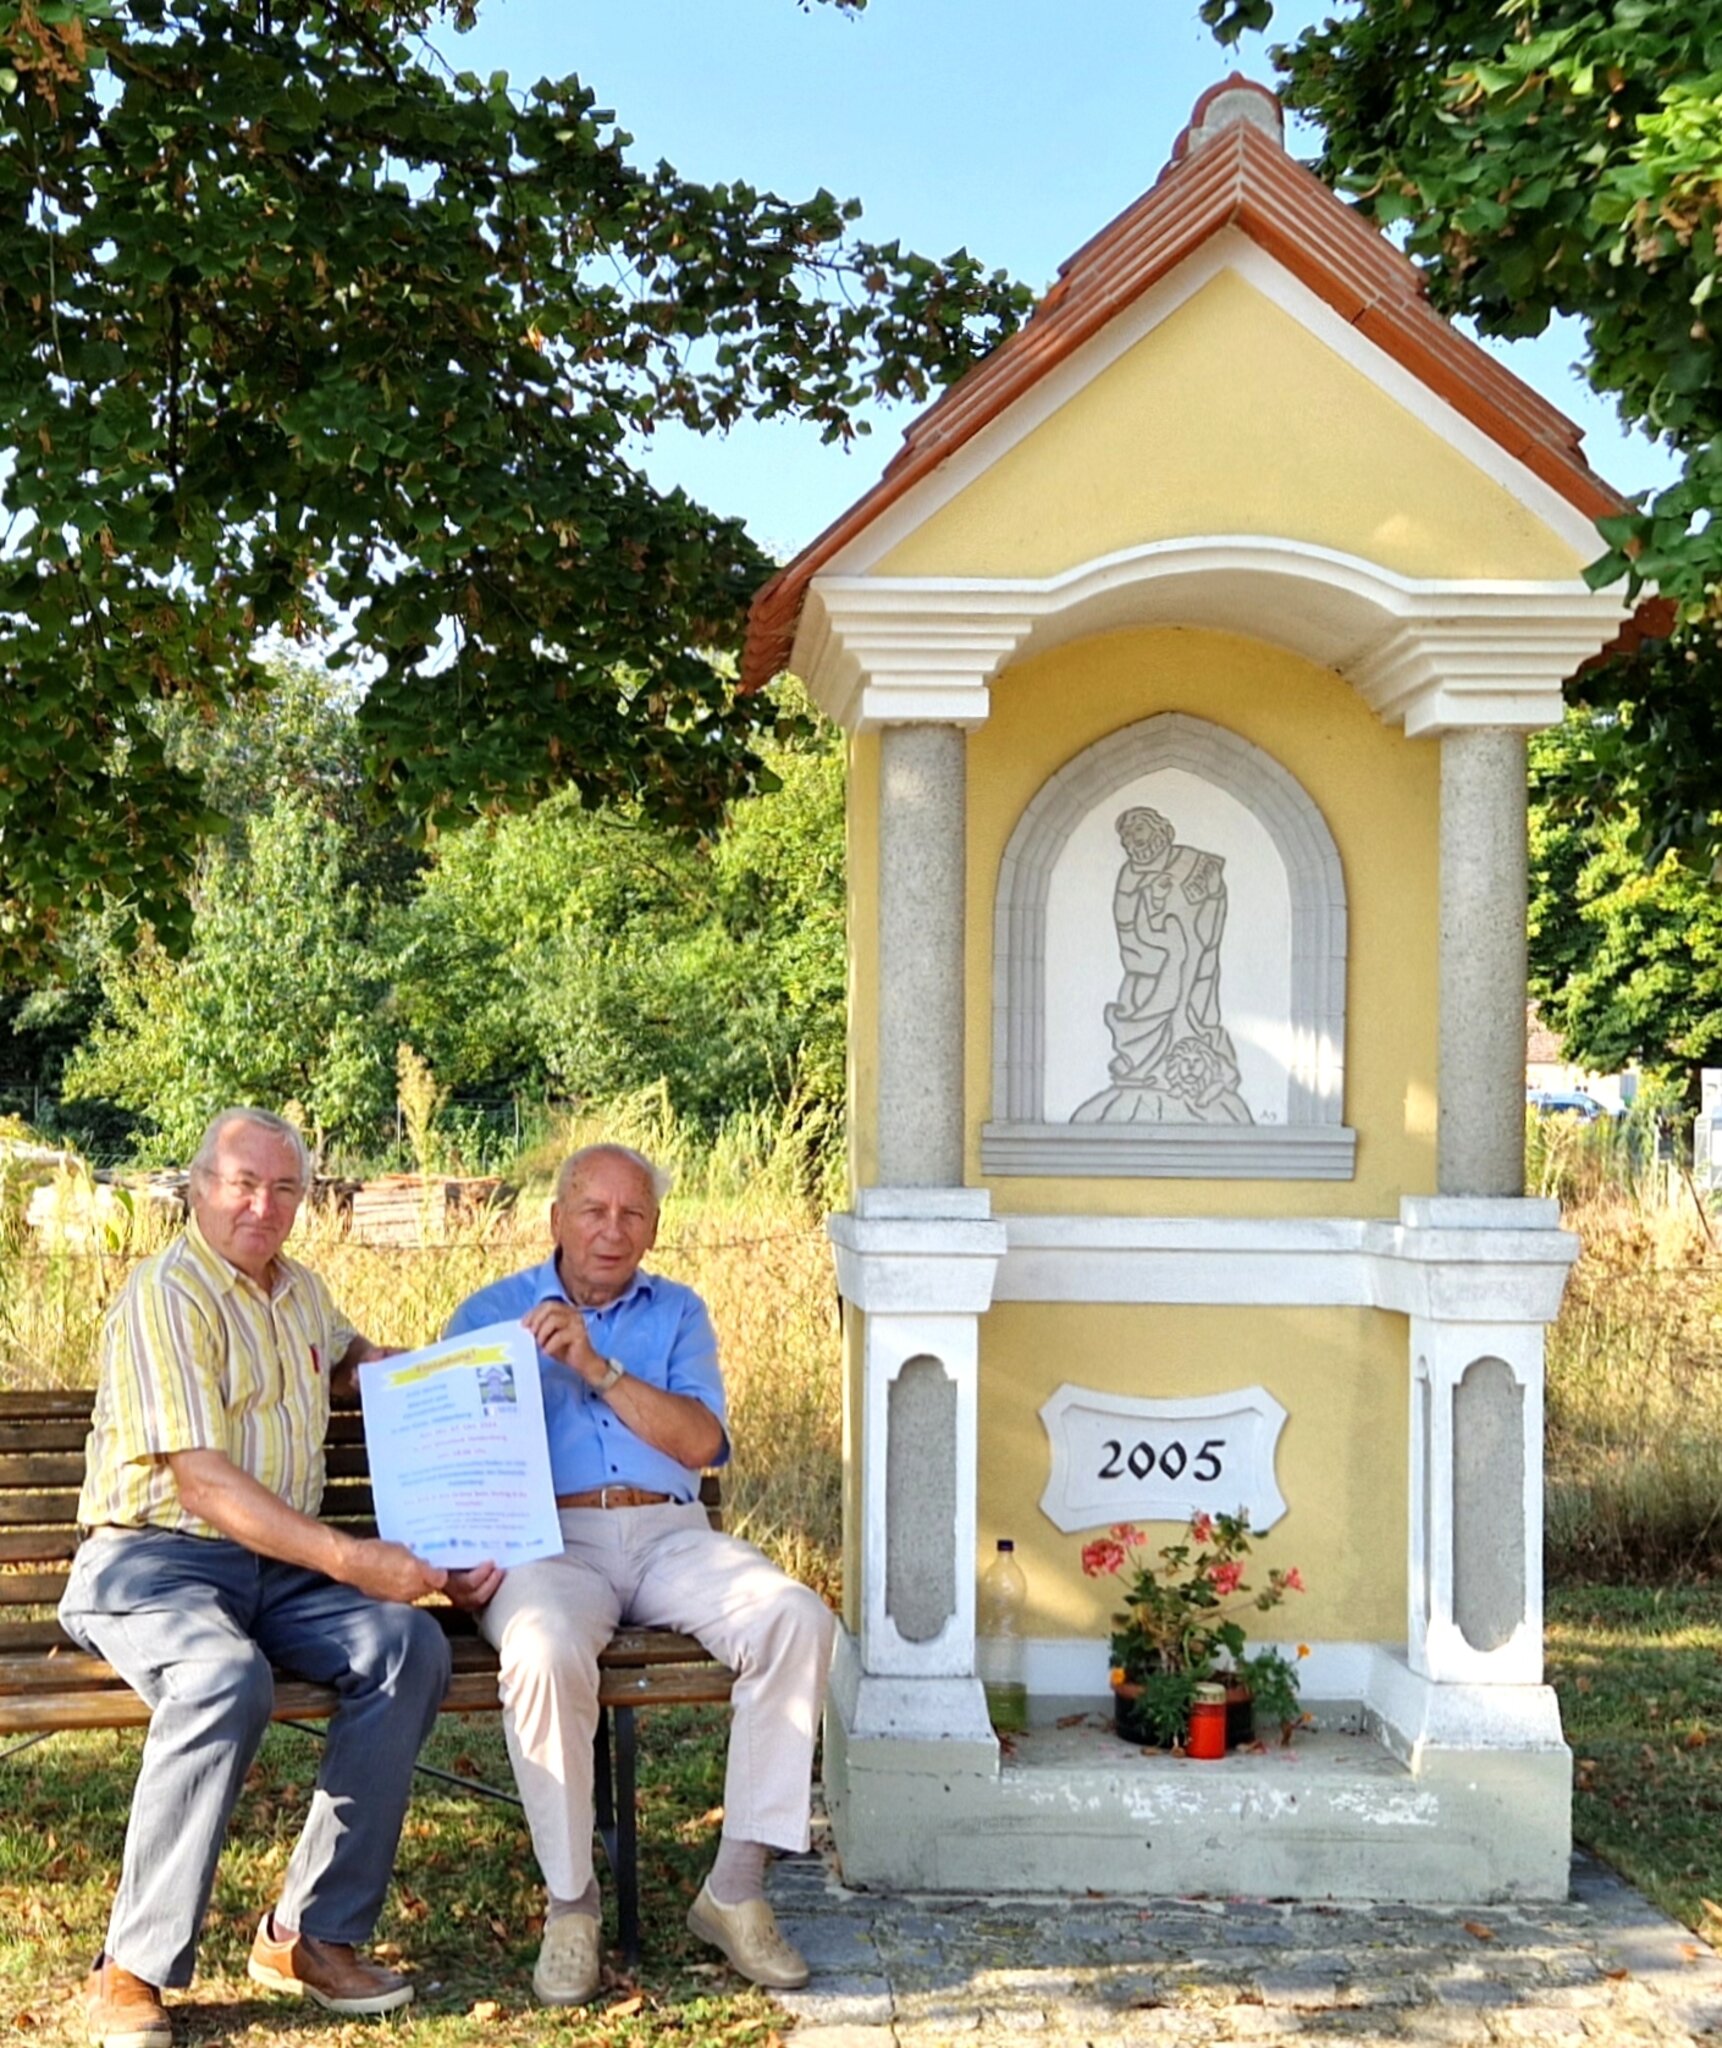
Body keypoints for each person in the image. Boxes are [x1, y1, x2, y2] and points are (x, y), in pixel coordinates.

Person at [60, 1108, 454, 2048]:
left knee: (408, 1645)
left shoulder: (301, 1291)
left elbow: (350, 1358)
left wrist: (442, 1374)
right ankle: (131, 1967)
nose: (262, 1206)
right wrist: (351, 1559)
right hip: (153, 1559)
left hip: (274, 1569)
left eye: (283, 1189)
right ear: (198, 1189)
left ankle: (309, 1935)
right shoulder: (168, 1294)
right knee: (221, 1678)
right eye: (242, 1184)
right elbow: (202, 1483)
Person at [441, 1143, 836, 2006]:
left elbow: (701, 1444)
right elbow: (444, 1456)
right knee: (542, 1649)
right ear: (557, 1219)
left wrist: (598, 1368)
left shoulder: (678, 1314)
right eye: (593, 1211)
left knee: (797, 1617)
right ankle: (572, 1907)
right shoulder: (489, 1314)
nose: (611, 1231)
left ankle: (735, 1891)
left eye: (633, 1215)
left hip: (668, 1536)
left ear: (654, 1230)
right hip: (548, 1543)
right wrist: (453, 1560)